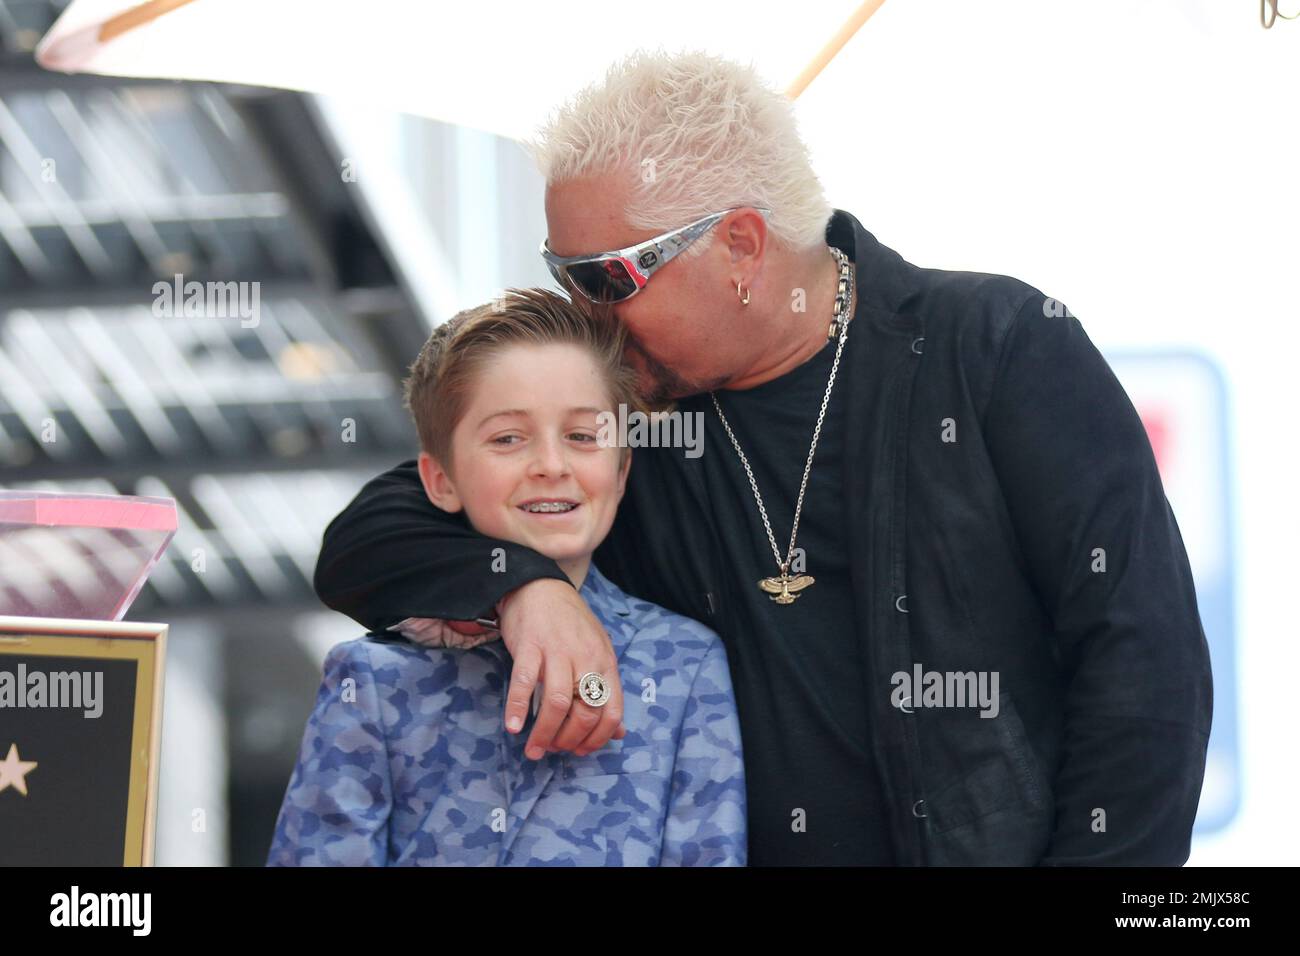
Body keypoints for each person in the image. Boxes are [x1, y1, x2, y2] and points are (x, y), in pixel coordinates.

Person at [312, 50, 1213, 866]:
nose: (584, 315)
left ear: (739, 245)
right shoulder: (627, 418)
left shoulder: (994, 348)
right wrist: (523, 585)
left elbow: (1144, 667)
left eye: (606, 278)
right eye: (564, 276)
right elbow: (370, 536)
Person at [268, 288, 746, 866]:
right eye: (507, 439)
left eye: (582, 436)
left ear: (622, 471)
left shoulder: (685, 662)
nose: (550, 463)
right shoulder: (373, 678)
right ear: (440, 480)